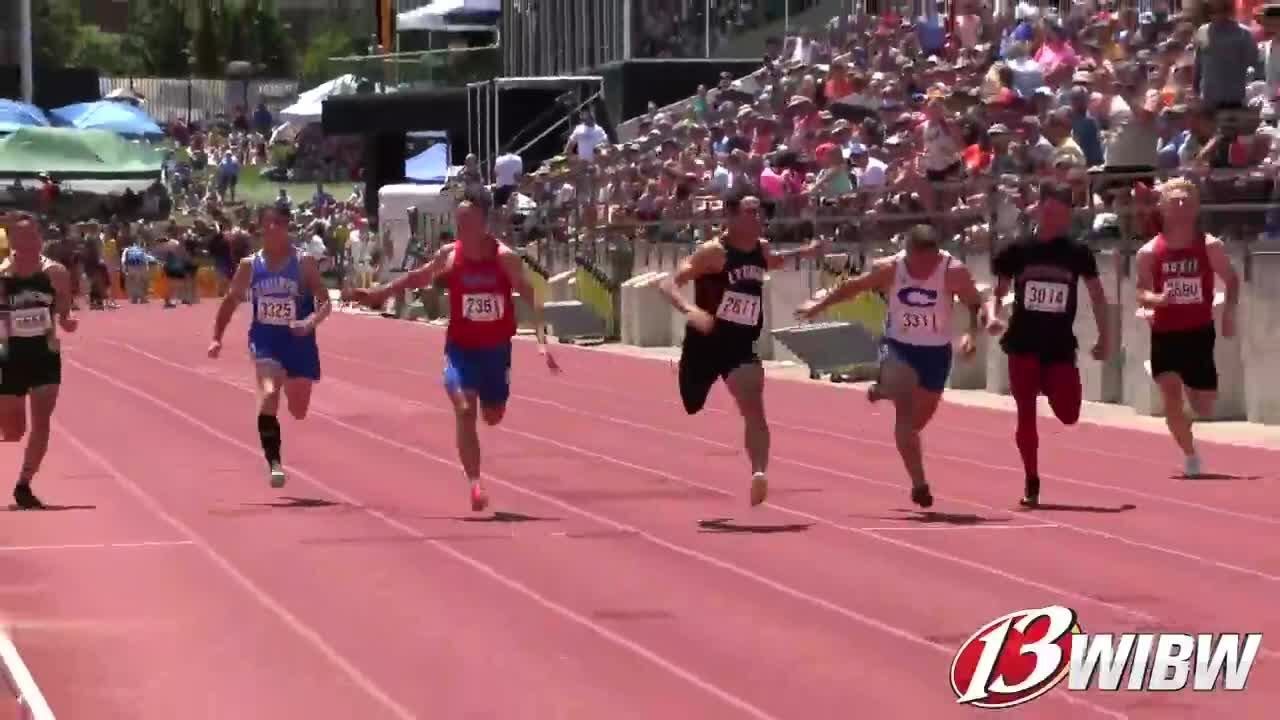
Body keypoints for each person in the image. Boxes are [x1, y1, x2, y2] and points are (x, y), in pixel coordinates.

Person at [347, 192, 559, 511]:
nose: (461, 225)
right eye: (459, 220)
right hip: (461, 347)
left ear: (484, 222)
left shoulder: (505, 258)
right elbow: (419, 276)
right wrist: (382, 292)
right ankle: (475, 483)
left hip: (496, 350)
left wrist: (543, 342)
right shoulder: (450, 254)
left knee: (493, 415)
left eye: (468, 220)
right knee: (463, 409)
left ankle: (492, 408)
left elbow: (530, 295)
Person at [796, 224, 982, 508]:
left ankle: (884, 389)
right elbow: (853, 287)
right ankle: (920, 484)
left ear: (935, 255)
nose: (921, 271)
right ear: (907, 253)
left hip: (936, 353)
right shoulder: (893, 269)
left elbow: (974, 302)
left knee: (917, 423)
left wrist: (971, 333)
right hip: (899, 346)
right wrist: (817, 307)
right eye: (916, 264)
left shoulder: (952, 271)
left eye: (927, 265)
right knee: (905, 422)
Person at [661, 192, 826, 507]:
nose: (758, 217)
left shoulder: (760, 248)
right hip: (704, 341)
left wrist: (806, 252)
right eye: (750, 212)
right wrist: (689, 310)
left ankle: (759, 473)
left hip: (739, 344)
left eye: (760, 212)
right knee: (691, 403)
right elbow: (668, 283)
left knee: (753, 405)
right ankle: (683, 369)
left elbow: (775, 260)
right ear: (731, 216)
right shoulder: (713, 252)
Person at [985, 181, 1110, 507]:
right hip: (1023, 343)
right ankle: (1031, 479)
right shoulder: (1017, 250)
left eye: (1061, 213)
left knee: (1069, 414)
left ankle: (1049, 385)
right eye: (1049, 211)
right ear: (1038, 210)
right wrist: (992, 316)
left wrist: (1106, 337)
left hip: (1059, 346)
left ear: (1069, 215)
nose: (1054, 218)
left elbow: (1098, 296)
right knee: (1025, 415)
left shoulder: (1077, 253)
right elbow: (996, 293)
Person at [208, 209, 330, 488]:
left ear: (287, 228)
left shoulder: (304, 263)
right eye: (268, 224)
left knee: (298, 410)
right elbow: (230, 301)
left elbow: (325, 301)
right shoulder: (250, 265)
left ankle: (288, 378)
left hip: (299, 342)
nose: (273, 228)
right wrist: (217, 337)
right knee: (268, 395)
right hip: (265, 341)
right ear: (261, 229)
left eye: (279, 224)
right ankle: (274, 463)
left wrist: (310, 322)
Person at [1135, 178, 1239, 477]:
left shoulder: (1209, 246)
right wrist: (1156, 298)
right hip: (1165, 332)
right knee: (1171, 400)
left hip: (1199, 331)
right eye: (1175, 201)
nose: (1180, 206)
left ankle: (1183, 413)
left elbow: (1231, 280)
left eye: (1186, 201)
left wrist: (1229, 313)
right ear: (1162, 208)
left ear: (1195, 208)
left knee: (1204, 406)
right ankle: (1190, 454)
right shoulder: (1150, 251)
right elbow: (1141, 291)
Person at [0, 213, 78, 510]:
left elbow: (64, 310)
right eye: (22, 237)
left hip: (45, 355)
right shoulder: (3, 273)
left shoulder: (55, 272)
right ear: (13, 241)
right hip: (9, 356)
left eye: (33, 236)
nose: (29, 242)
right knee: (13, 430)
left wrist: (68, 321)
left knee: (42, 421)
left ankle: (24, 485)